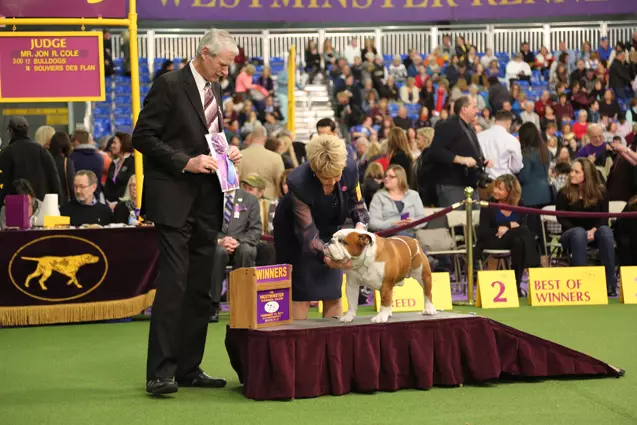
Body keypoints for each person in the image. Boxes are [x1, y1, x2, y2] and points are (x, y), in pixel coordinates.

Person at [132, 29, 242, 396]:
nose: (227, 72)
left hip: (208, 200)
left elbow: (207, 138)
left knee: (201, 288)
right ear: (206, 54)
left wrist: (227, 155)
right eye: (224, 65)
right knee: (175, 284)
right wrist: (186, 162)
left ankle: (188, 368)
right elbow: (142, 137)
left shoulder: (215, 89)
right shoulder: (169, 84)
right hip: (173, 200)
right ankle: (159, 373)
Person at [273, 134, 369, 320]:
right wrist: (328, 259)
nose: (333, 183)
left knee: (333, 290)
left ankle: (333, 344)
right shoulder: (298, 182)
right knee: (301, 291)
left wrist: (359, 231)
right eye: (326, 179)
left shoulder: (349, 169)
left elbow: (358, 205)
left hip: (331, 226)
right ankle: (298, 342)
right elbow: (308, 233)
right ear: (315, 171)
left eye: (337, 176)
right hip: (295, 232)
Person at [556, 158, 617, 296]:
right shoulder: (563, 193)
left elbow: (604, 217)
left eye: (576, 172)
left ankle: (610, 285)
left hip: (594, 232)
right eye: (572, 171)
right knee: (578, 233)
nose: (572, 174)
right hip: (570, 235)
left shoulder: (601, 193)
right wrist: (583, 232)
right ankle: (582, 285)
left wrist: (594, 230)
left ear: (587, 175)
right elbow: (561, 218)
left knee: (606, 232)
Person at [475, 175, 539, 297]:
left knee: (518, 242)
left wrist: (507, 228)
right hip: (493, 239)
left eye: (500, 189)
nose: (495, 191)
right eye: (495, 187)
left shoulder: (520, 203)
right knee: (523, 232)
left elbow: (520, 226)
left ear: (510, 192)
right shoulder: (488, 205)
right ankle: (535, 265)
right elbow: (482, 232)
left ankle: (515, 286)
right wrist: (506, 225)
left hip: (513, 241)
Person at [0, 116, 61, 208]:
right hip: (41, 206)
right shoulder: (42, 151)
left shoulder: (6, 153)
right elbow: (54, 180)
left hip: (14, 207)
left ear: (11, 131)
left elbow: (2, 182)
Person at [368, 164, 425, 238]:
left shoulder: (414, 195)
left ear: (400, 179)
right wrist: (393, 224)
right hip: (389, 235)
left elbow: (422, 219)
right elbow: (373, 223)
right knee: (403, 236)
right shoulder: (379, 196)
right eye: (386, 176)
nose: (386, 179)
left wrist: (413, 222)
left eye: (391, 177)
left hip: (411, 232)